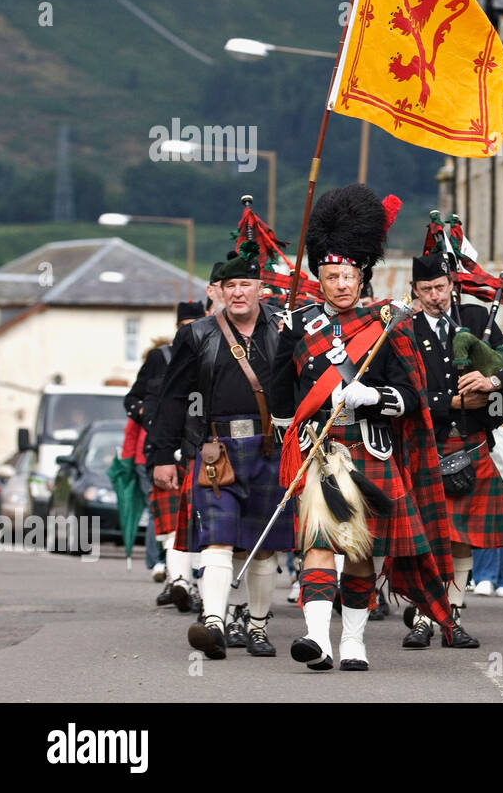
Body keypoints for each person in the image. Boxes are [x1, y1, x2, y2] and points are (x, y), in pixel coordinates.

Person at [271, 184, 454, 671]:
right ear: (320, 278)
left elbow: (414, 397)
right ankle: (316, 639)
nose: (341, 284)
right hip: (321, 449)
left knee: (357, 552)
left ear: (361, 274)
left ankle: (353, 642)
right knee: (318, 541)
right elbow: (280, 394)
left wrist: (373, 396)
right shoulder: (298, 326)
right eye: (332, 276)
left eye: (348, 275)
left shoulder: (388, 323)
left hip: (370, 447)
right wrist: (290, 437)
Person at [150, 243, 289, 661]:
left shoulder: (285, 330)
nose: (239, 292)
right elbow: (172, 398)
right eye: (231, 285)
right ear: (220, 291)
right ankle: (214, 622)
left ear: (261, 288)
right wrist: (162, 454)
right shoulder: (196, 335)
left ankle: (258, 627)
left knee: (263, 545)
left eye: (246, 284)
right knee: (219, 539)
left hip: (271, 448)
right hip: (217, 451)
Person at [397, 248, 503, 650]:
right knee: (424, 537)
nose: (435, 296)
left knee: (461, 538)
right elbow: (405, 389)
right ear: (414, 291)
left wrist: (491, 384)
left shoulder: (474, 320)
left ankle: (451, 617)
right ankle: (422, 618)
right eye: (426, 290)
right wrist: (449, 402)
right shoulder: (405, 329)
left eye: (440, 287)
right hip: (426, 445)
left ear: (452, 286)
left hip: (471, 445)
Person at [129, 300, 205, 606]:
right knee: (173, 521)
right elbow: (133, 399)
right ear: (176, 328)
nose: (190, 332)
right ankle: (178, 581)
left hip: (200, 447)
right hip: (165, 446)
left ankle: (193, 585)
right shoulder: (160, 358)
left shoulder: (210, 352)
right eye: (185, 327)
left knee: (200, 522)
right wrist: (151, 416)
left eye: (195, 326)